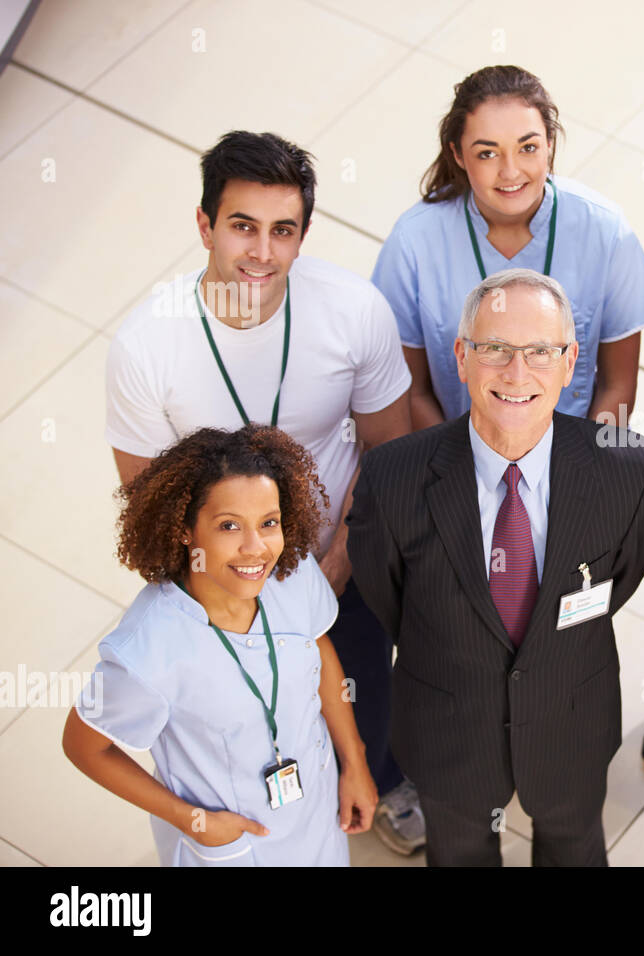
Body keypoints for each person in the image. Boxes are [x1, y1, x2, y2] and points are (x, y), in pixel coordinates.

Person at [102, 131, 422, 854]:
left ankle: (374, 773)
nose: (261, 252)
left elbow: (390, 451)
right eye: (242, 226)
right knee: (237, 717)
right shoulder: (148, 346)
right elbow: (151, 507)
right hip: (224, 574)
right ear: (205, 225)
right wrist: (241, 587)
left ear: (303, 236)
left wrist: (334, 561)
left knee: (358, 681)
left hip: (342, 547)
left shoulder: (352, 310)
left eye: (283, 231)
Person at [347, 268, 644, 866]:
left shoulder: (625, 469)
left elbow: (622, 577)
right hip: (446, 726)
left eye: (540, 351)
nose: (517, 375)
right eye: (495, 349)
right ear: (462, 357)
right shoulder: (392, 480)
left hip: (572, 718)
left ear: (570, 362)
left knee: (575, 846)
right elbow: (391, 602)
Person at [63, 425, 378, 866]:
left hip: (316, 810)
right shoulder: (147, 652)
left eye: (269, 523)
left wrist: (355, 762)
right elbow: (84, 747)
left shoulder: (290, 574)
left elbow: (317, 651)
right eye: (229, 525)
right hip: (230, 843)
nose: (255, 549)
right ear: (186, 530)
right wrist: (193, 820)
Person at [371, 64, 644, 430]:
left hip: (575, 458)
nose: (511, 172)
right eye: (487, 153)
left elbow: (618, 386)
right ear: (458, 155)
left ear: (550, 145)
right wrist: (456, 468)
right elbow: (412, 392)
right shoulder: (413, 242)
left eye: (527, 148)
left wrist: (583, 468)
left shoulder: (606, 232)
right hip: (458, 459)